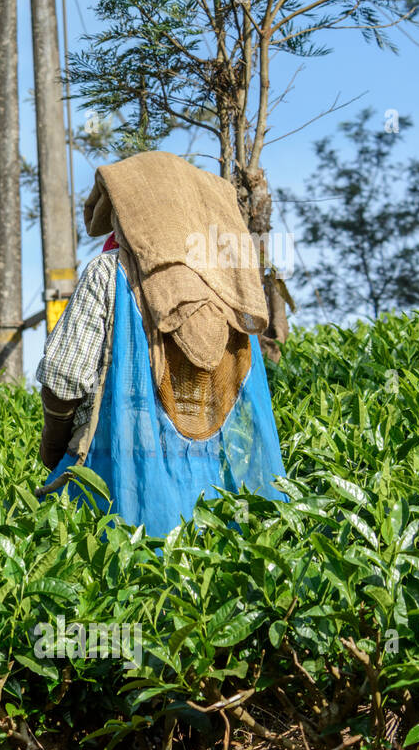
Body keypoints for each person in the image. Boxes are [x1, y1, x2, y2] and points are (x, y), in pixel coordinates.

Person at [35, 151, 287, 535]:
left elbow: (64, 377)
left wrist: (54, 451)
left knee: (119, 576)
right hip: (211, 475)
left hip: (116, 468)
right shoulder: (231, 286)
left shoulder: (109, 271)